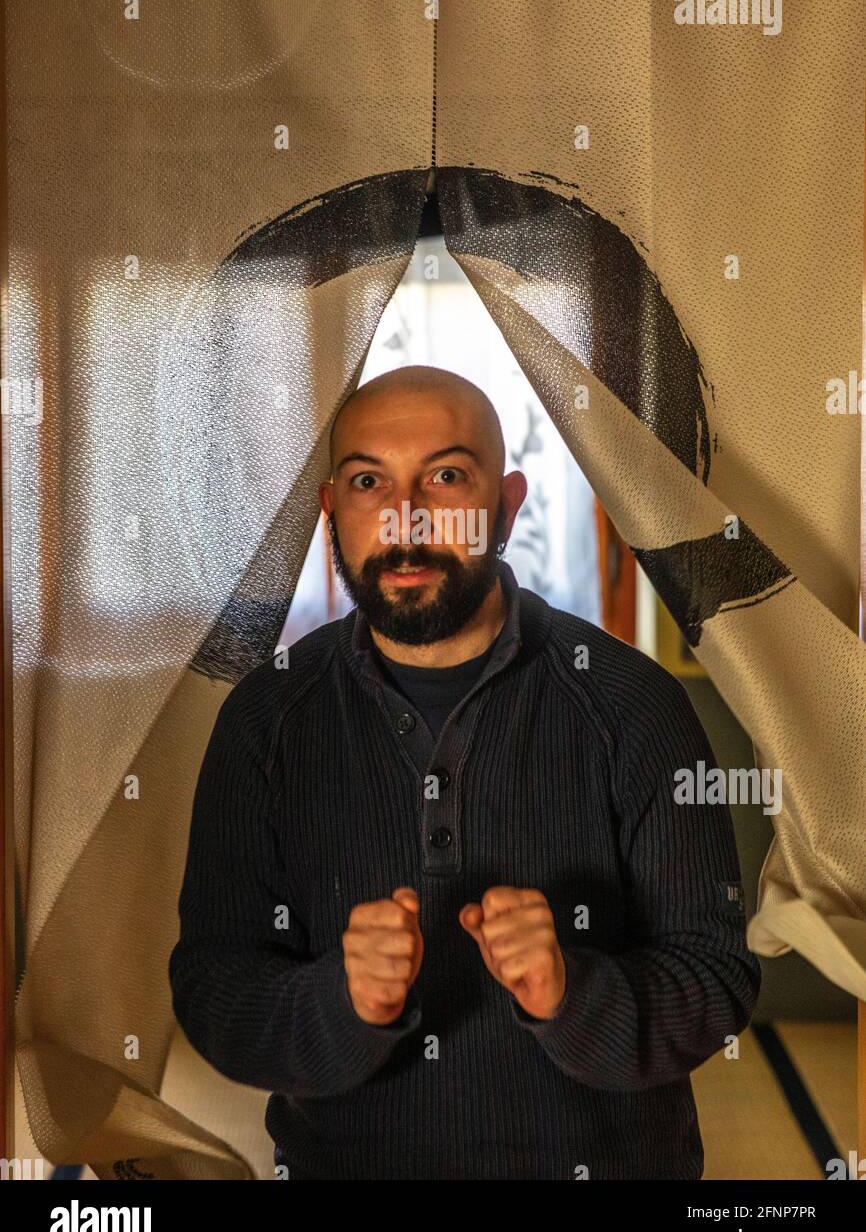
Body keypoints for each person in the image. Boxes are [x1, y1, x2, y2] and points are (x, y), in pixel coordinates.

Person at [169, 364, 761, 1180]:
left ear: (508, 507)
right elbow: (211, 987)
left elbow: (717, 979)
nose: (406, 519)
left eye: (446, 476)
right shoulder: (265, 719)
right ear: (332, 511)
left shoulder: (632, 705)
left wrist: (572, 991)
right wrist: (342, 1005)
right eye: (370, 481)